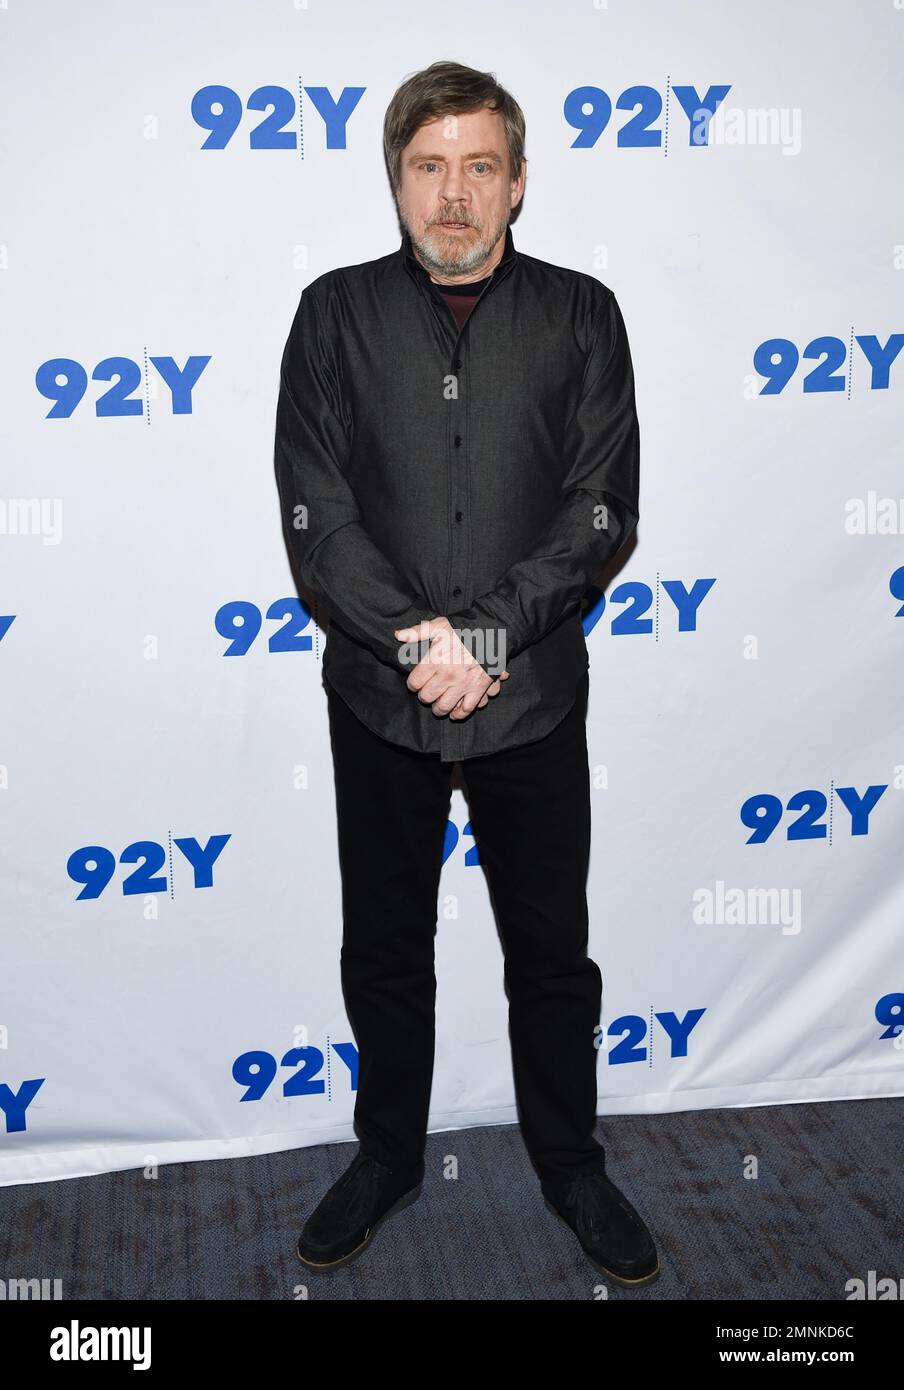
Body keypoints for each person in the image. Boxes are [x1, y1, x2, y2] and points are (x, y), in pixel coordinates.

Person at [274, 59, 658, 1288]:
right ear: (395, 181)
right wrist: (418, 645)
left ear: (518, 183)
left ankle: (571, 1162)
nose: (454, 195)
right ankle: (386, 1154)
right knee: (384, 947)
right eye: (429, 167)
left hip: (530, 700)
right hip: (378, 703)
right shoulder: (331, 314)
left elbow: (601, 510)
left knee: (550, 950)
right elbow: (314, 516)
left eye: (478, 167)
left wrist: (479, 643)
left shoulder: (584, 314)